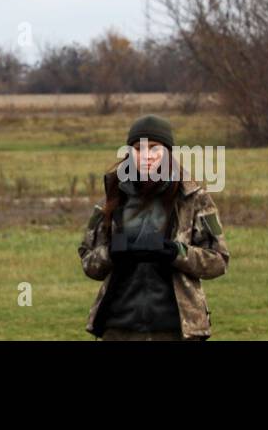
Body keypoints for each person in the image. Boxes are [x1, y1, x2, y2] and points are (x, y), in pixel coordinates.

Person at [77, 114, 229, 340]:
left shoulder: (194, 199)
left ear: (168, 153)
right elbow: (89, 263)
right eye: (138, 149)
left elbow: (219, 260)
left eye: (155, 148)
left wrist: (175, 252)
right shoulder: (111, 200)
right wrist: (112, 253)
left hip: (176, 329)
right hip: (118, 328)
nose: (147, 156)